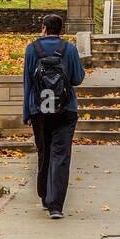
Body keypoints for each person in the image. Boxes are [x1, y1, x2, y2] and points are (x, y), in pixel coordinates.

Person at [22, 14, 86, 219]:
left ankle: (44, 195)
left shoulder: (32, 49)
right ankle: (55, 205)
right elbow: (77, 79)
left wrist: (27, 112)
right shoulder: (70, 49)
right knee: (61, 154)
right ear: (61, 29)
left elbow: (27, 83)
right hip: (65, 109)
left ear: (43, 28)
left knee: (44, 152)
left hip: (39, 111)